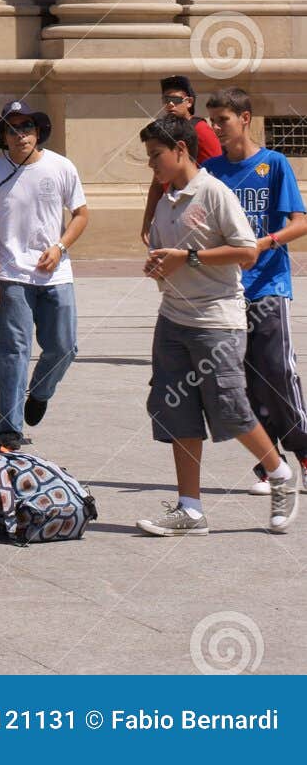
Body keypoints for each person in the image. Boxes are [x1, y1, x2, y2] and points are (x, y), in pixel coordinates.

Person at [135, 113, 299, 535]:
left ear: (181, 150)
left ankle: (280, 473)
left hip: (217, 321)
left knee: (230, 408)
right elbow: (164, 252)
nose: (152, 165)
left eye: (156, 156)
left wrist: (186, 258)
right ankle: (190, 509)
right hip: (172, 319)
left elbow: (246, 252)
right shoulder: (167, 200)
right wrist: (159, 265)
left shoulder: (214, 192)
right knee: (178, 412)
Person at [204, 86, 307, 491]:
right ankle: (270, 464)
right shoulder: (210, 170)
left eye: (223, 120)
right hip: (226, 290)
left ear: (244, 118)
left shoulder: (274, 164)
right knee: (244, 380)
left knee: (277, 371)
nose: (216, 128)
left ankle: (304, 449)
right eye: (212, 121)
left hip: (267, 283)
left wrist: (264, 244)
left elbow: (300, 222)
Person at [0, 99, 88, 445]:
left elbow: (81, 215)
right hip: (12, 276)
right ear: (3, 136)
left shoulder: (62, 167)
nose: (21, 135)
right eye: (13, 128)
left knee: (64, 348)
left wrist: (61, 246)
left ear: (38, 132)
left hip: (56, 275)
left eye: (27, 127)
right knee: (13, 353)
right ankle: (9, 427)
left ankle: (41, 391)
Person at [139, 75, 222, 244]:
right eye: (166, 100)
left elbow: (218, 171)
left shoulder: (201, 130)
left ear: (189, 102)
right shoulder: (164, 131)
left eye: (175, 100)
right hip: (170, 207)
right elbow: (157, 185)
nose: (170, 104)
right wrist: (147, 220)